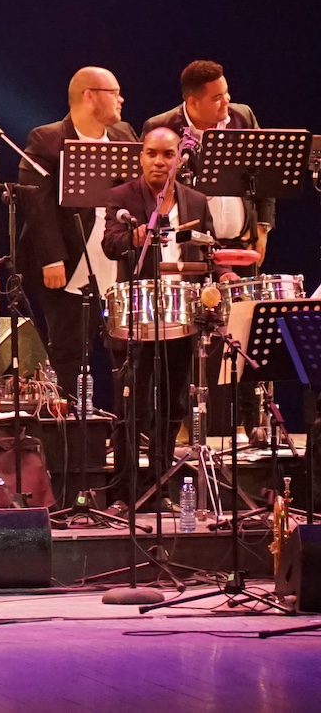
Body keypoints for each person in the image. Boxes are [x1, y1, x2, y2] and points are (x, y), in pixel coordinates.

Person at [102, 127, 237, 501]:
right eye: (151, 154)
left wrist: (224, 272)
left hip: (182, 314)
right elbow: (110, 243)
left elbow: (210, 251)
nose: (159, 162)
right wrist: (135, 236)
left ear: (180, 158)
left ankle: (159, 484)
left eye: (167, 154)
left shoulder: (196, 201)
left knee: (173, 403)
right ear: (141, 157)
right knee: (132, 404)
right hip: (139, 314)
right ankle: (126, 490)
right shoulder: (123, 197)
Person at [18, 67, 138, 403]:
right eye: (114, 93)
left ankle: (126, 424)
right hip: (69, 260)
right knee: (69, 346)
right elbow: (37, 203)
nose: (121, 99)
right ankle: (71, 421)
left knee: (125, 349)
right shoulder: (47, 139)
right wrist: (51, 259)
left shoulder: (123, 133)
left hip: (115, 256)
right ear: (90, 96)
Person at [143, 60, 271, 269]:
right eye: (217, 97)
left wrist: (262, 228)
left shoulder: (243, 116)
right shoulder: (161, 127)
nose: (227, 100)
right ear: (193, 103)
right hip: (192, 249)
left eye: (226, 93)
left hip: (242, 247)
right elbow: (149, 189)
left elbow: (263, 173)